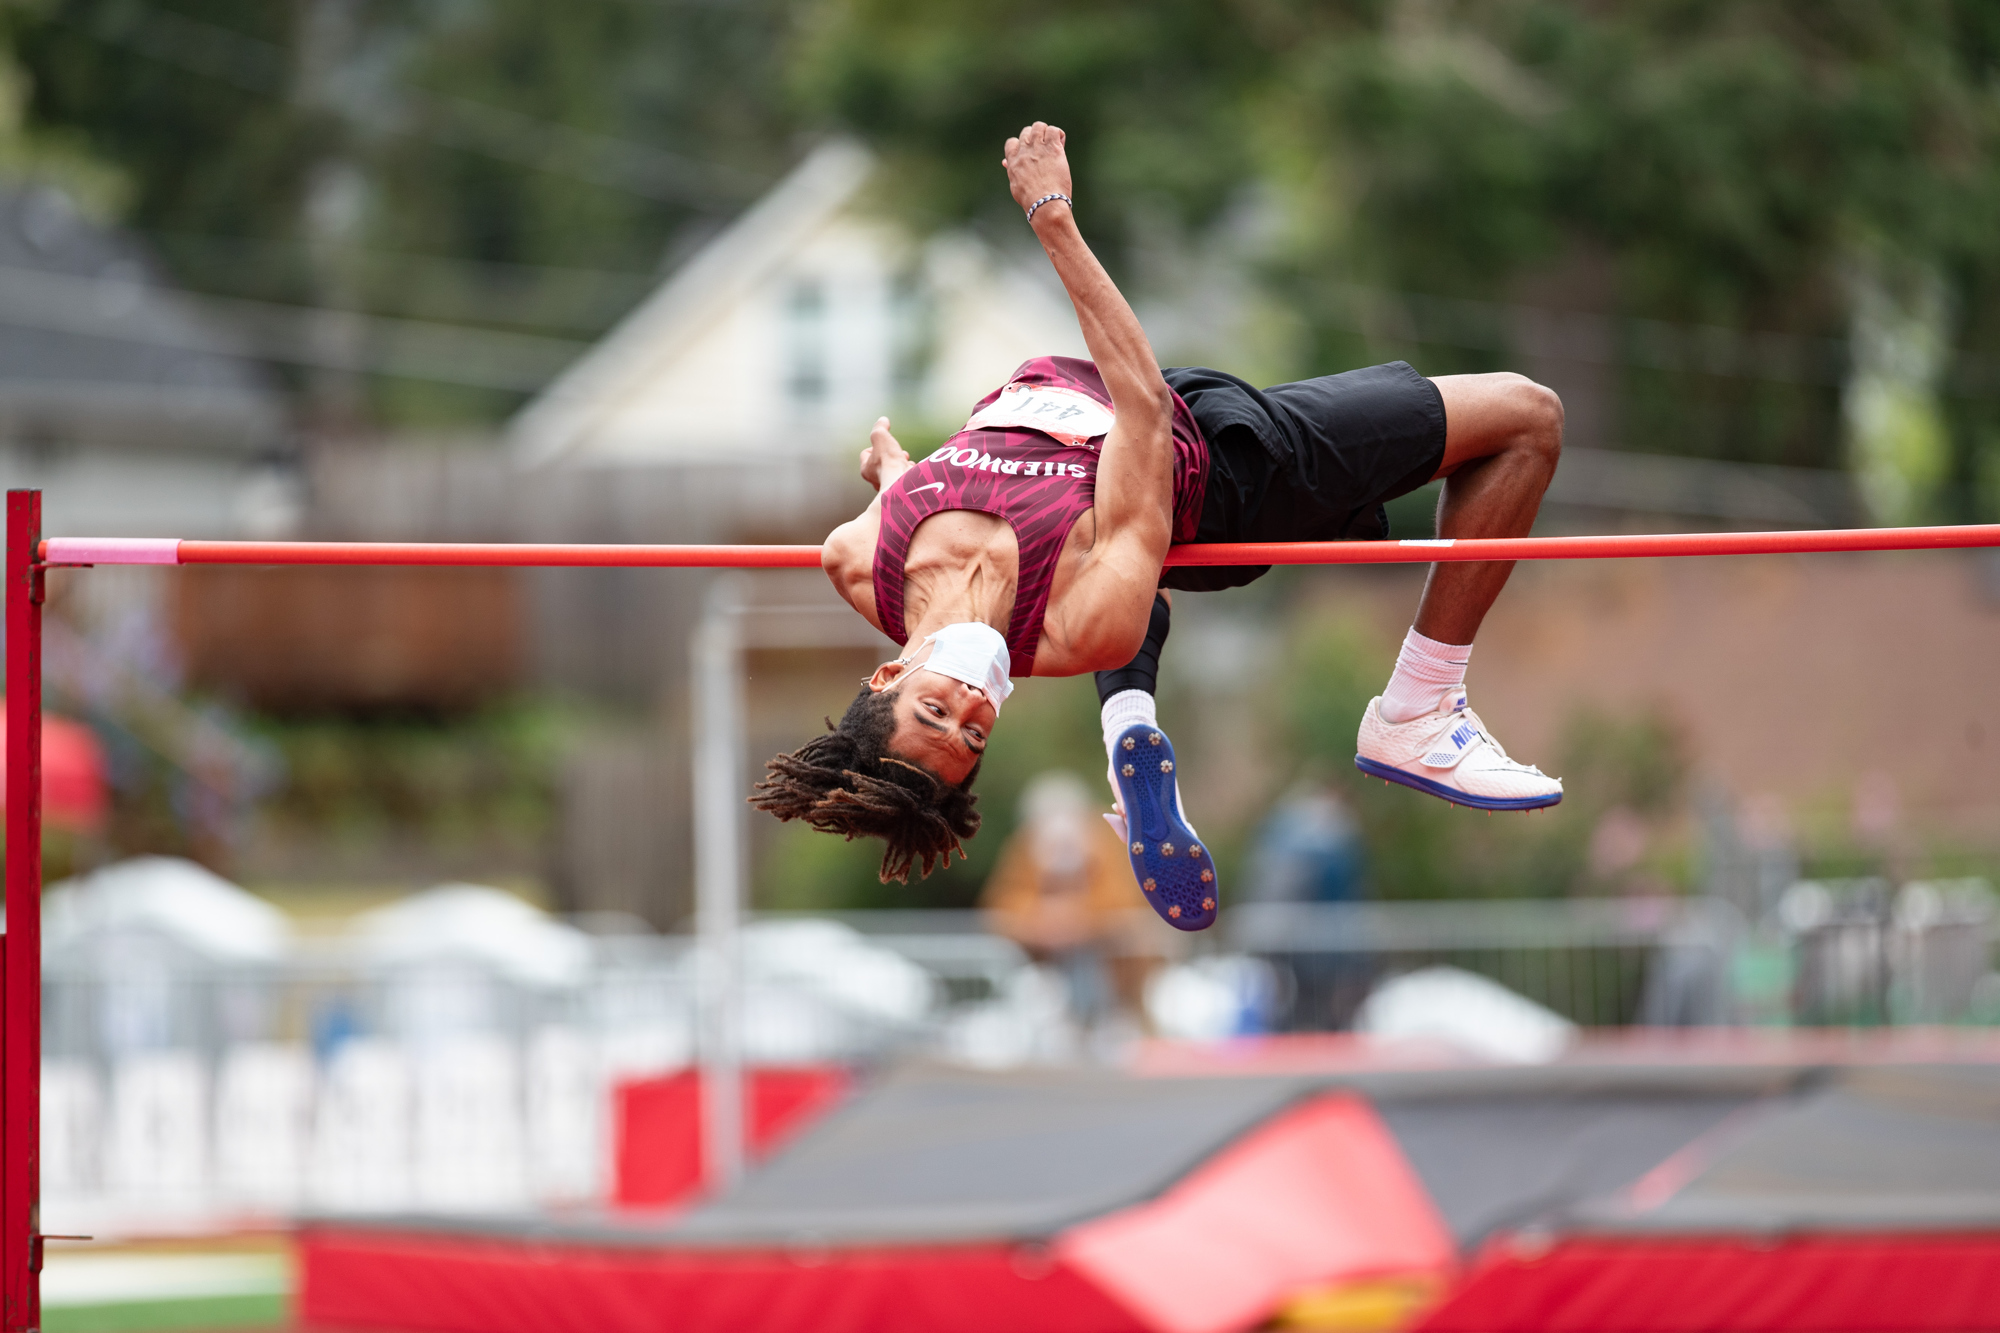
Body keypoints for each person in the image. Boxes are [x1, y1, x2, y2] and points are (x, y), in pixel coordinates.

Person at [752, 121, 1563, 931]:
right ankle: (1419, 706)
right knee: (1526, 417)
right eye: (974, 737)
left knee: (1136, 592)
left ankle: (1129, 725)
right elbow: (1140, 400)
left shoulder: (860, 554)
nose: (969, 703)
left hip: (1135, 423)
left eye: (937, 712)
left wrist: (895, 472)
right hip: (1224, 466)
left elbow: (910, 500)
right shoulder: (1079, 624)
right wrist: (1051, 215)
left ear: (887, 677)